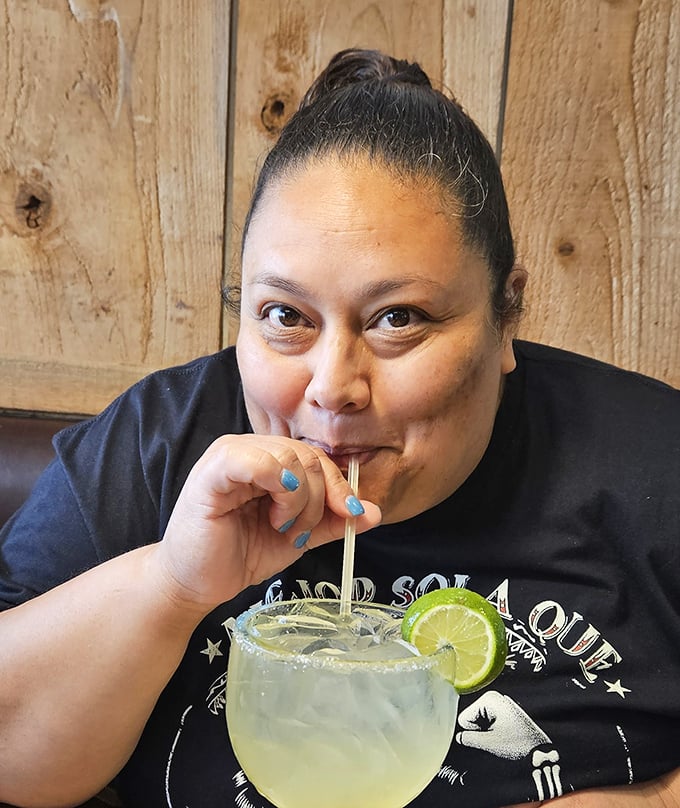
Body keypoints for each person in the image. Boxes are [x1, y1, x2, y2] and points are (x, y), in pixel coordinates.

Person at [0, 47, 678, 808]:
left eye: (399, 318)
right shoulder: (159, 440)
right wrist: (171, 586)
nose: (331, 388)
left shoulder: (653, 460)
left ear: (504, 315)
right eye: (285, 316)